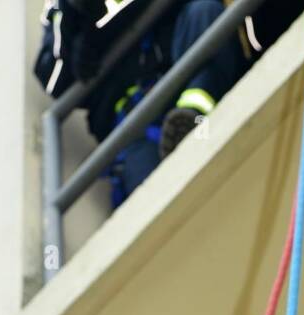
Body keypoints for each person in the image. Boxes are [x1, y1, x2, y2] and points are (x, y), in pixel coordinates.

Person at [34, 0, 249, 205]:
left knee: (204, 11)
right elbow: (54, 80)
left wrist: (101, 34)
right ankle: (183, 128)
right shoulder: (60, 8)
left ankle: (192, 117)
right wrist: (71, 17)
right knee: (158, 212)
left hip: (179, 76)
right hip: (134, 126)